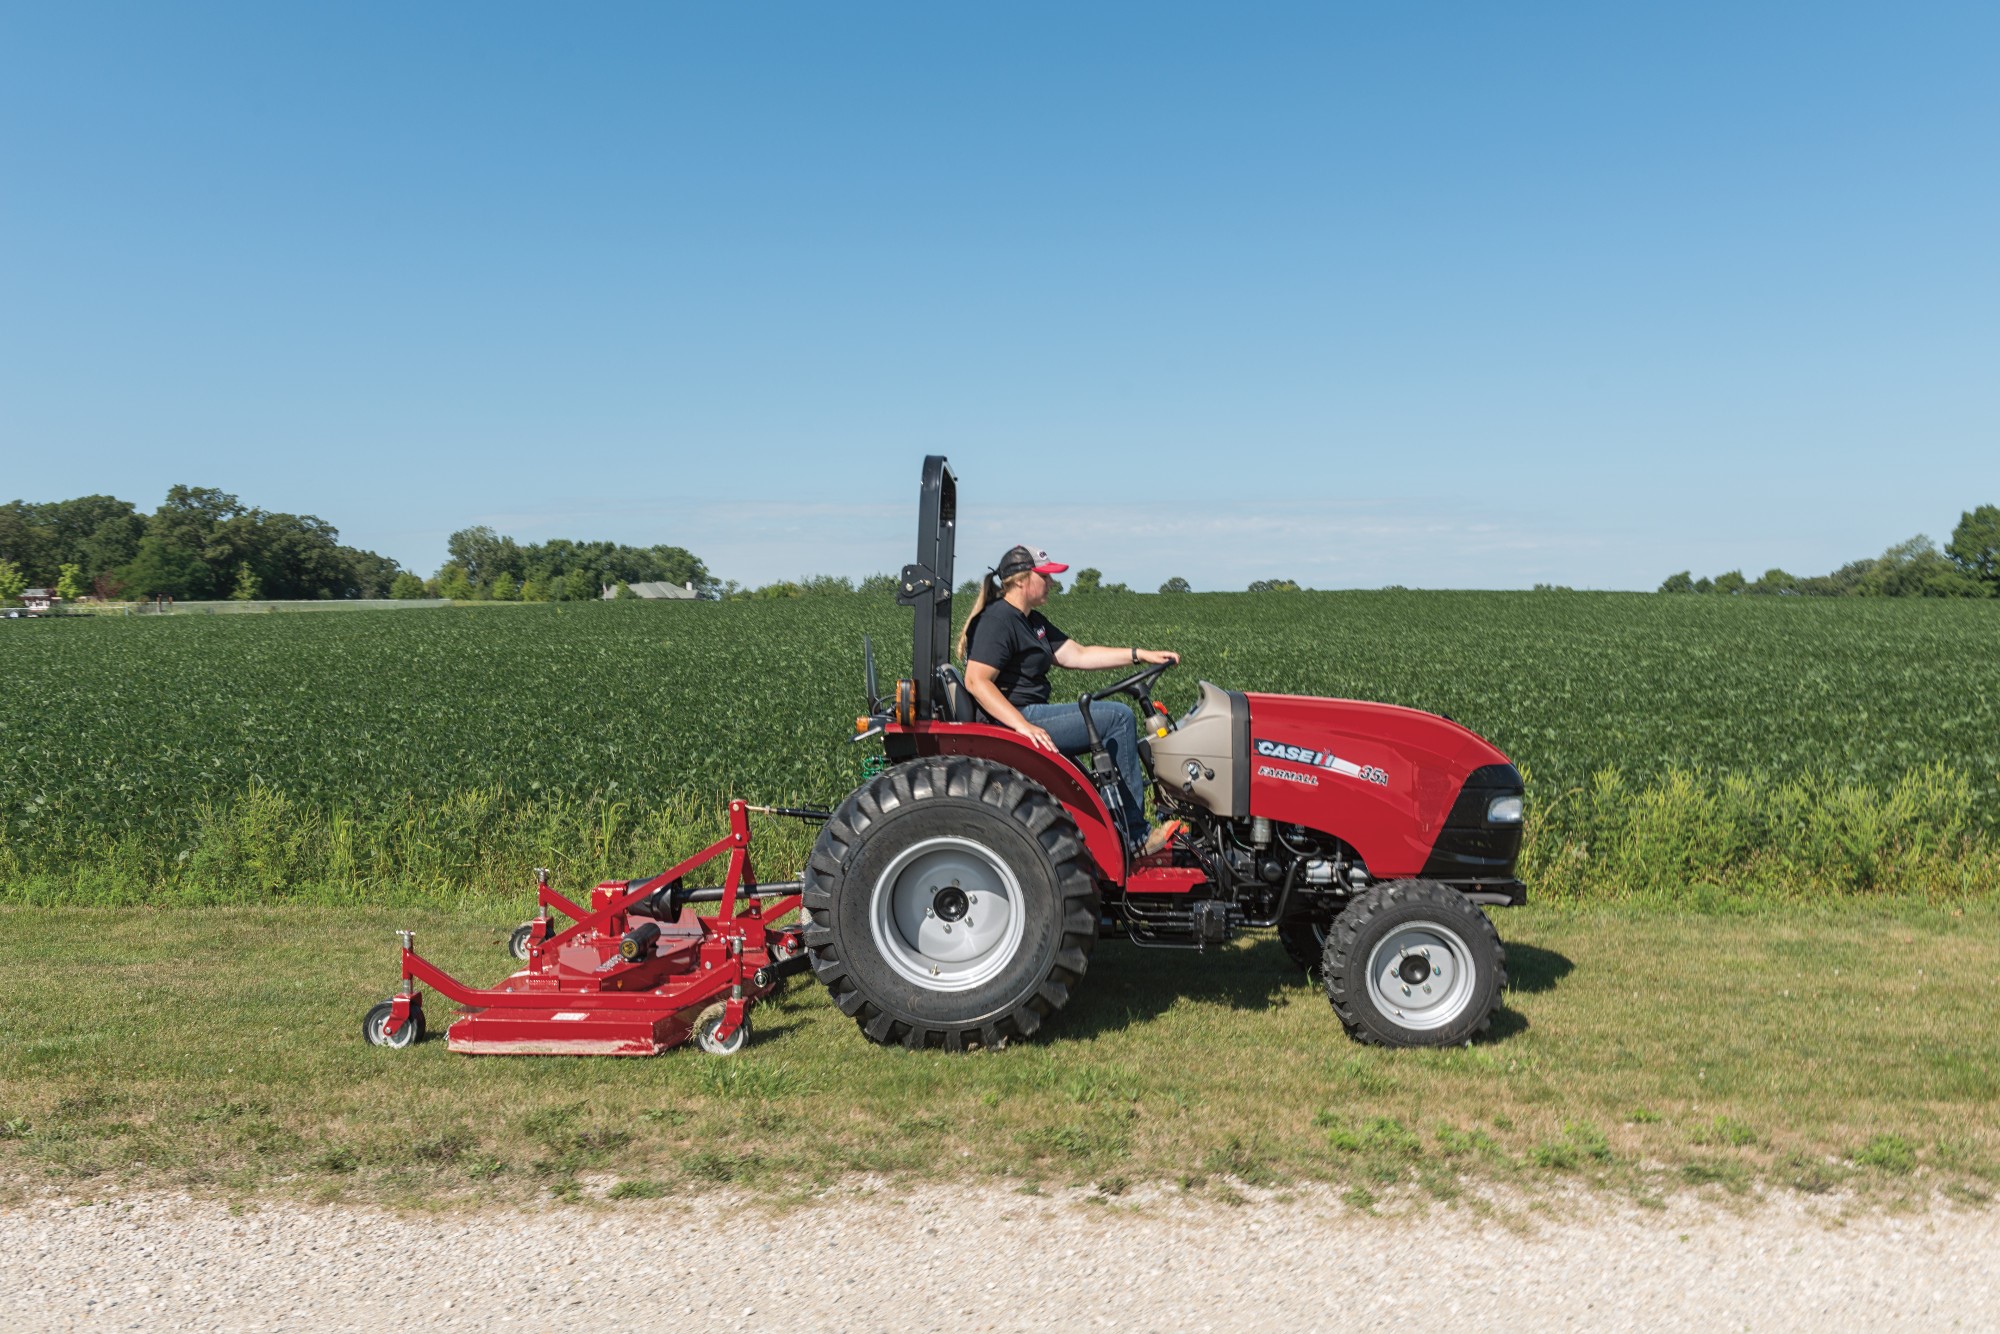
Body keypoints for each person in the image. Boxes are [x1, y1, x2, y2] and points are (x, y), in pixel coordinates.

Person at [957, 544, 1181, 855]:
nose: (1051, 583)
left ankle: (1117, 826)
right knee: (1117, 718)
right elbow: (976, 680)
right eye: (1045, 576)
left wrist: (1139, 655)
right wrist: (1023, 726)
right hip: (1015, 718)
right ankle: (1134, 836)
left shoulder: (1031, 621)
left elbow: (1079, 654)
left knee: (1113, 717)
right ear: (1021, 580)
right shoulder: (999, 620)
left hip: (1029, 714)